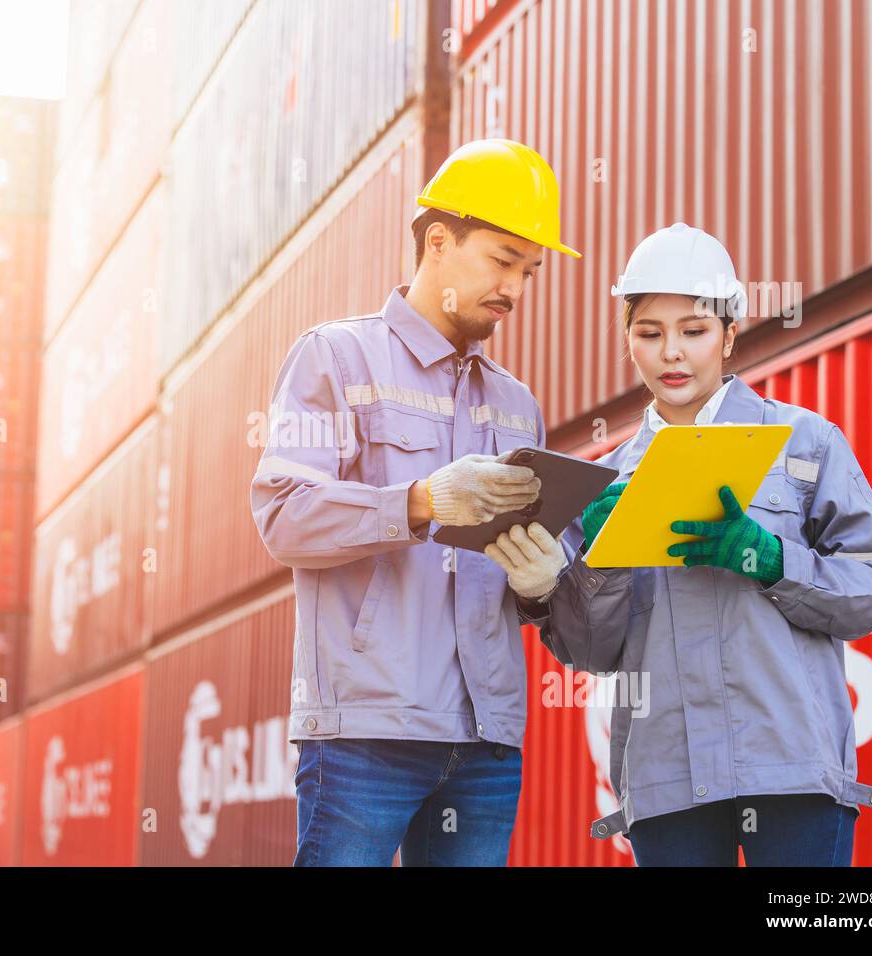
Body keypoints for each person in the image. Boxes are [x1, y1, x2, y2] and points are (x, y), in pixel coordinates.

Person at [484, 223, 872, 866]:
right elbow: (589, 651)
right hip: (668, 783)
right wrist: (599, 564)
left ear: (730, 335)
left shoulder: (804, 443)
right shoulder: (606, 484)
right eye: (650, 333)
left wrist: (772, 560)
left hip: (789, 769)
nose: (671, 354)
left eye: (694, 330)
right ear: (628, 340)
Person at [250, 139, 580, 866]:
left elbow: (534, 576)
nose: (517, 289)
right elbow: (283, 516)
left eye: (530, 270)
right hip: (368, 732)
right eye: (503, 260)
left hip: (486, 740)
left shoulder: (517, 405)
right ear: (438, 240)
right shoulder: (334, 359)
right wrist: (421, 502)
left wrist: (541, 588)